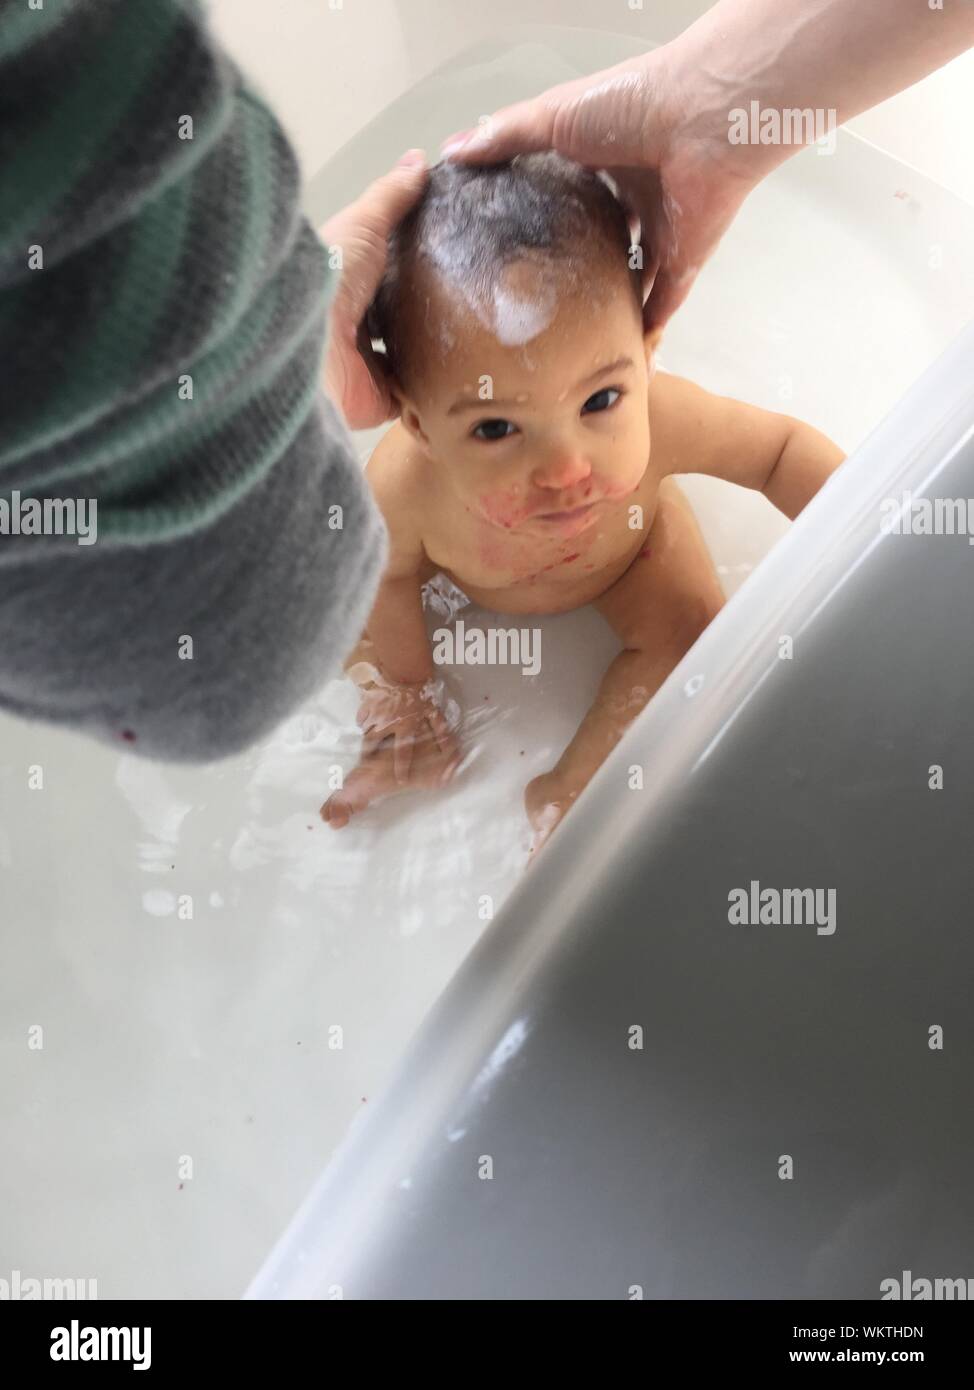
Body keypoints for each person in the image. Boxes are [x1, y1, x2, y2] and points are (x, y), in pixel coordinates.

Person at [319, 155, 844, 849]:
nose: (566, 469)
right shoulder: (404, 489)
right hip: (462, 581)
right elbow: (386, 575)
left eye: (601, 399)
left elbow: (778, 452)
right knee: (343, 607)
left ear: (648, 353)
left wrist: (870, 534)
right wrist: (407, 689)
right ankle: (397, 744)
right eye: (495, 428)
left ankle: (569, 796)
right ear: (417, 425)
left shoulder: (667, 417)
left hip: (628, 554)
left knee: (691, 636)